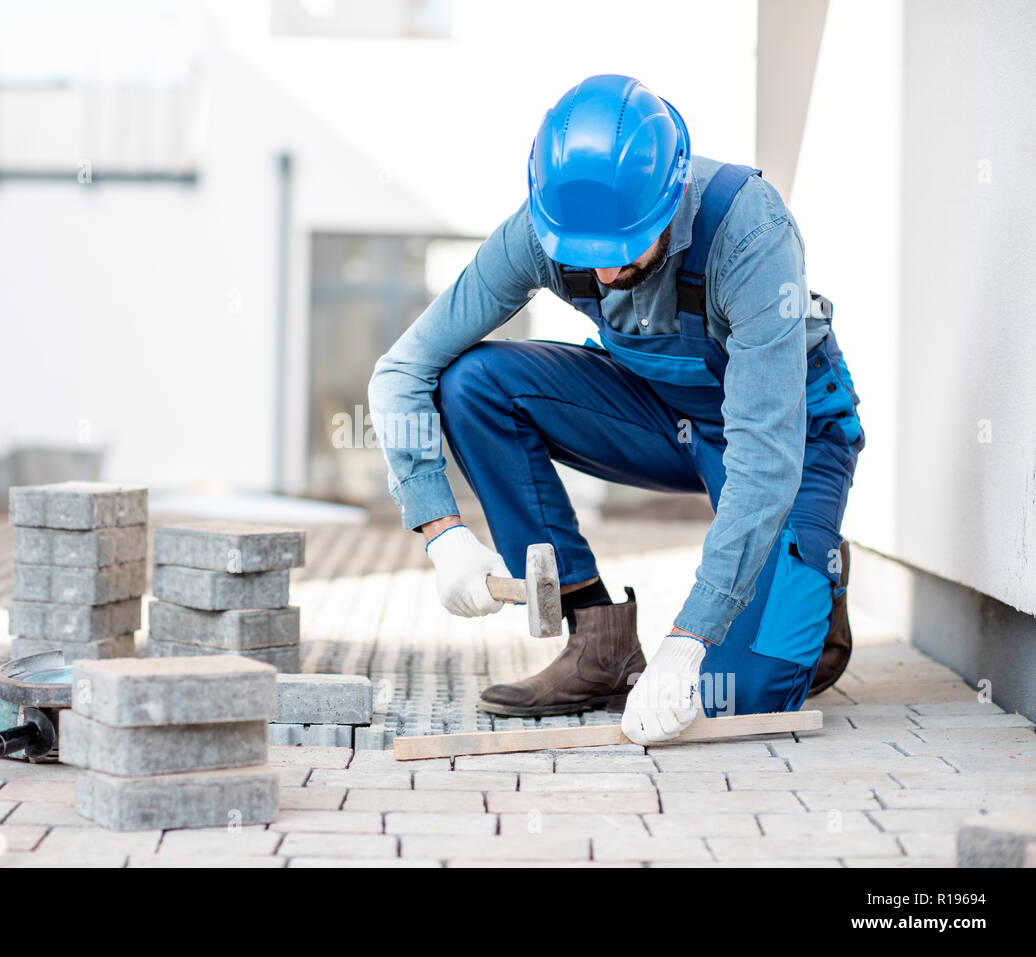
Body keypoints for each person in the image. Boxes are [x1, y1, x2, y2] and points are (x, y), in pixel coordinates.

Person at [366, 74, 864, 744]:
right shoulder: (550, 226)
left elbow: (766, 459)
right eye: (583, 255)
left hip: (789, 442)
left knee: (738, 696)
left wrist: (689, 639)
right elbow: (402, 370)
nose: (601, 274)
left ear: (668, 202)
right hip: (662, 418)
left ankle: (813, 563)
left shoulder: (752, 234)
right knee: (473, 382)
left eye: (622, 252)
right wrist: (440, 531)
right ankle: (597, 640)